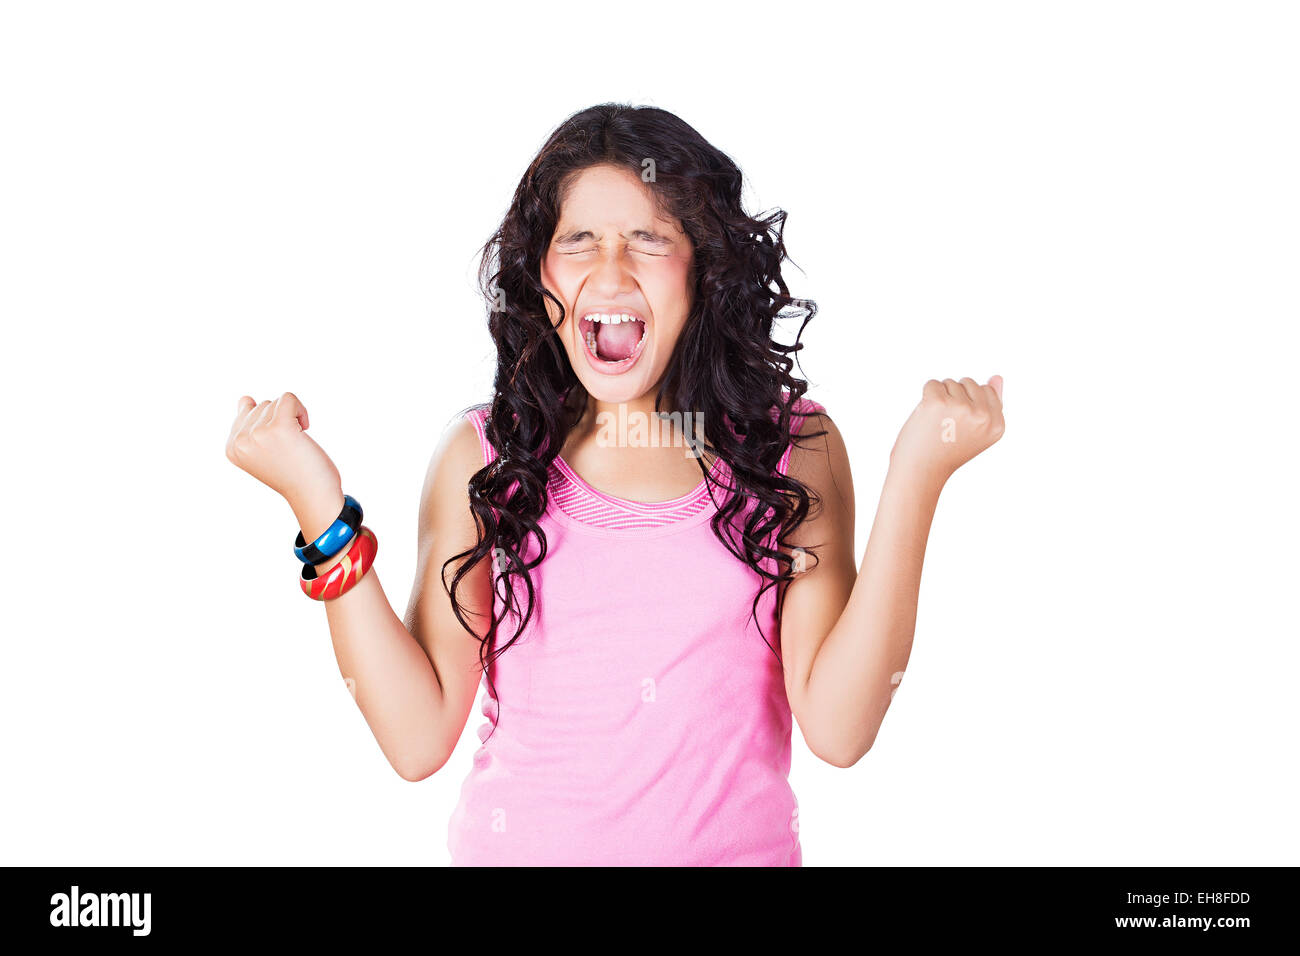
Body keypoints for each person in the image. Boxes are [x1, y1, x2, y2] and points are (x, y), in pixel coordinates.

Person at [224, 103, 1005, 866]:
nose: (610, 271)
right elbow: (416, 738)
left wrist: (918, 474)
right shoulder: (483, 457)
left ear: (703, 270)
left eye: (648, 239)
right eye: (580, 242)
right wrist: (316, 504)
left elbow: (840, 728)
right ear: (541, 275)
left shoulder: (789, 449)